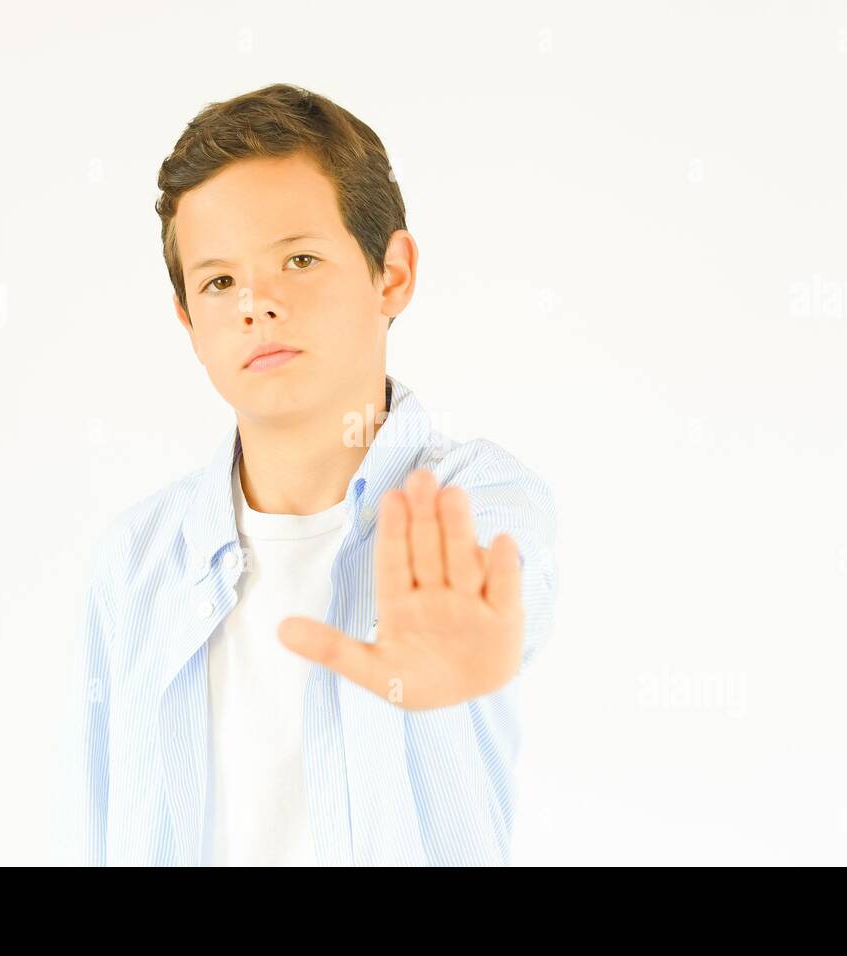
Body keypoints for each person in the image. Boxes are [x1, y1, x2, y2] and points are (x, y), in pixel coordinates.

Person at [69, 83, 558, 866]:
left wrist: (474, 641)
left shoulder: (471, 499)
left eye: (299, 260)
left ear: (391, 274)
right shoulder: (135, 560)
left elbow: (514, 575)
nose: (257, 304)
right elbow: (97, 822)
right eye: (219, 282)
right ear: (188, 322)